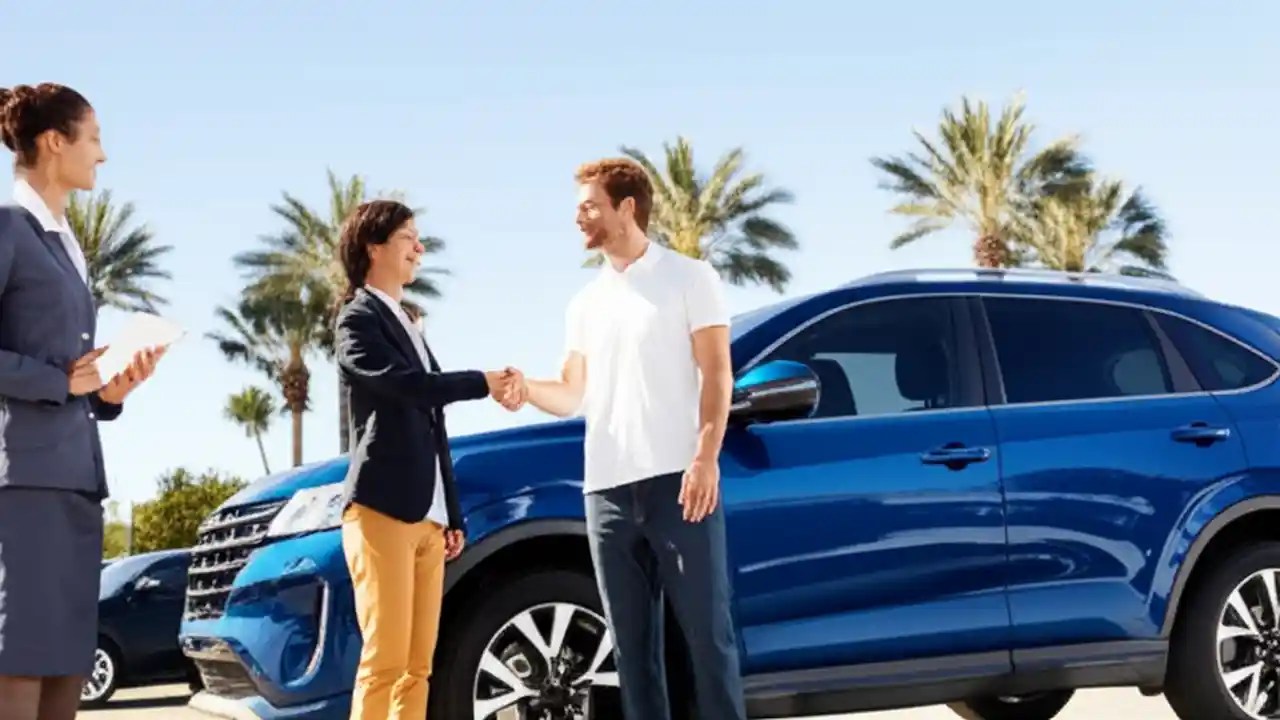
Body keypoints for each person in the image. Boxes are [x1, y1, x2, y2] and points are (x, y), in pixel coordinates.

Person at [500, 158, 747, 719]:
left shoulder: (690, 278)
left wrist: (705, 457)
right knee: (633, 655)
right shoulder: (584, 303)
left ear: (626, 207)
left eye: (589, 206)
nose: (578, 218)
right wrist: (526, 389)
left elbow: (717, 373)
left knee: (709, 641)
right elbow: (571, 391)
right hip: (606, 494)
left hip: (679, 486)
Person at [0, 83, 164, 720]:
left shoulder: (66, 242)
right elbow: (45, 372)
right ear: (53, 142)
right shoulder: (10, 230)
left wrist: (106, 393)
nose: (101, 155)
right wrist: (57, 383)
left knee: (69, 664)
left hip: (76, 480)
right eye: (93, 138)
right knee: (23, 660)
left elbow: (67, 370)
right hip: (27, 483)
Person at [332, 199, 514, 720]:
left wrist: (450, 515)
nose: (420, 247)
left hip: (427, 518)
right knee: (385, 661)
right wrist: (479, 382)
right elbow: (407, 387)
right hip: (381, 508)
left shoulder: (408, 321)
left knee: (418, 666)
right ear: (374, 247)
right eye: (408, 237)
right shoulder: (357, 317)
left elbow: (434, 428)